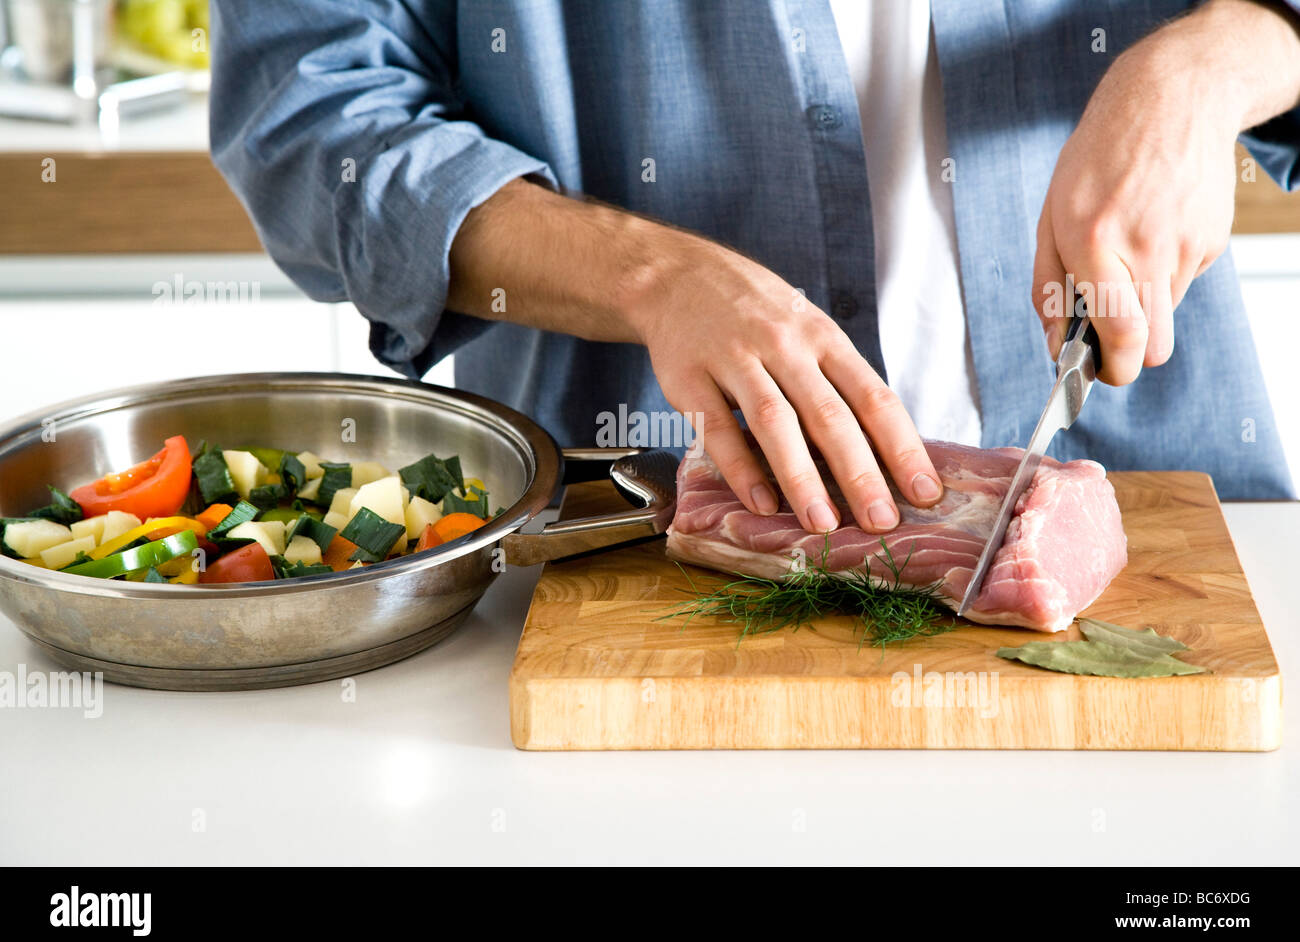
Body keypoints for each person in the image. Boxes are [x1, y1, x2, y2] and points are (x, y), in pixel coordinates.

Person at [210, 0, 1300, 535]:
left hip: (1165, 512)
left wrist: (1222, 59)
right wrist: (644, 275)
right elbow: (307, 119)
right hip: (639, 535)